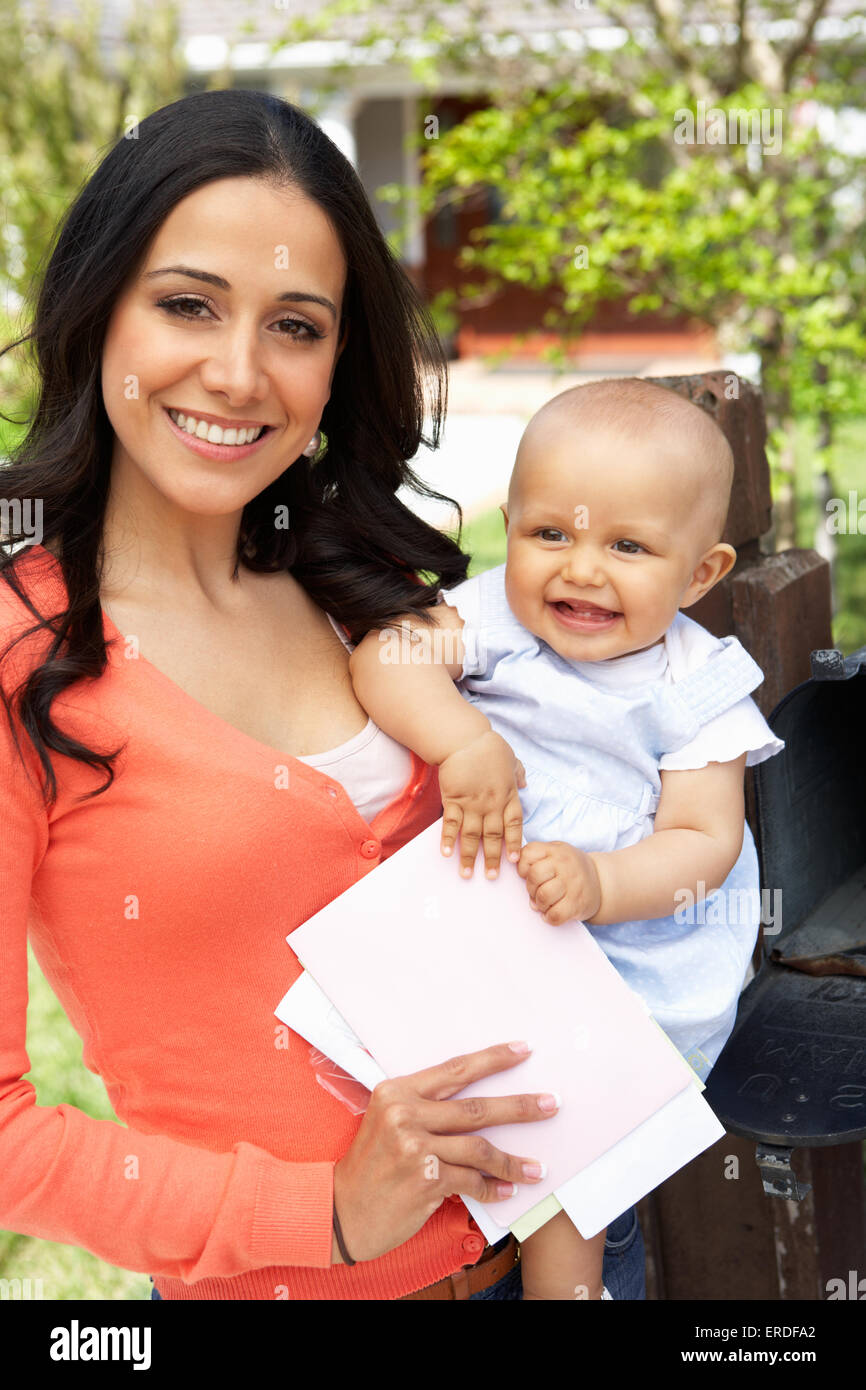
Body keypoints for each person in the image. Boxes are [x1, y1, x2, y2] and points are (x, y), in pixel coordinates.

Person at [0, 87, 646, 1301]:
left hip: (561, 1254)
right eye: (186, 304)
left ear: (338, 354)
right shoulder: (23, 653)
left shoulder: (356, 579)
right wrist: (327, 1212)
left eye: (294, 326)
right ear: (97, 314)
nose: (238, 372)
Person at [347, 376, 786, 1300]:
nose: (581, 569)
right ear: (509, 527)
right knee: (448, 1093)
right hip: (490, 924)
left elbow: (705, 844)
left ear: (700, 574)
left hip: (630, 962)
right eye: (551, 534)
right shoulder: (493, 620)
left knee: (571, 1163)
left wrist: (603, 881)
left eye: (627, 546)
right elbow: (384, 656)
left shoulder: (696, 687)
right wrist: (464, 739)